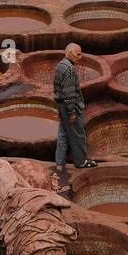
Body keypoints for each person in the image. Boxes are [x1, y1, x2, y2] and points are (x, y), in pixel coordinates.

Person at [53, 43, 96, 171]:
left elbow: (58, 89)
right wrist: (71, 112)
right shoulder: (69, 70)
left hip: (61, 105)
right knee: (78, 135)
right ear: (70, 53)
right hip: (70, 107)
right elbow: (69, 93)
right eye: (78, 54)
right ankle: (81, 162)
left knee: (63, 133)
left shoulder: (60, 65)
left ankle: (59, 163)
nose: (80, 57)